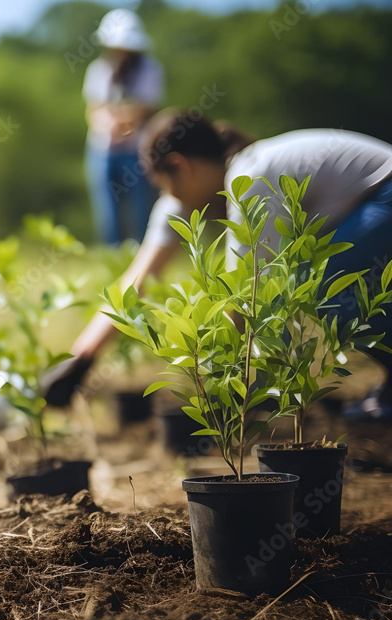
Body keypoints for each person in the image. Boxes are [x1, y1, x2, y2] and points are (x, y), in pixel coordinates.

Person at [41, 109, 392, 421]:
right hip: (368, 205)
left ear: (179, 165)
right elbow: (135, 282)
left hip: (384, 193)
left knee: (315, 285)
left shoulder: (247, 179)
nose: (167, 195)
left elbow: (246, 294)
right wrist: (79, 361)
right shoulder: (182, 198)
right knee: (303, 285)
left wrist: (213, 376)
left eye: (162, 184)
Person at [82, 8, 163, 245]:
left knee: (142, 211)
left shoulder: (150, 69)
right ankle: (113, 260)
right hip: (101, 150)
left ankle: (143, 262)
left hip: (136, 150)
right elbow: (93, 109)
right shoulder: (99, 70)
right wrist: (110, 123)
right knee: (108, 214)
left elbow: (146, 107)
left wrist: (119, 117)